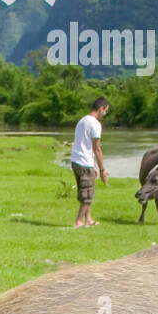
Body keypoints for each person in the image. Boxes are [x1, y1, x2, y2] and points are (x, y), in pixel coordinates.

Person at [71, 97, 110, 227]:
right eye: (105, 111)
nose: (105, 114)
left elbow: (84, 144)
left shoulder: (82, 121)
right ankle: (78, 221)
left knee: (84, 191)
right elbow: (97, 148)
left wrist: (93, 166)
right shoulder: (95, 124)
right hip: (84, 162)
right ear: (101, 108)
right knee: (88, 195)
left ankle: (88, 219)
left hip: (76, 161)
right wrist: (102, 169)